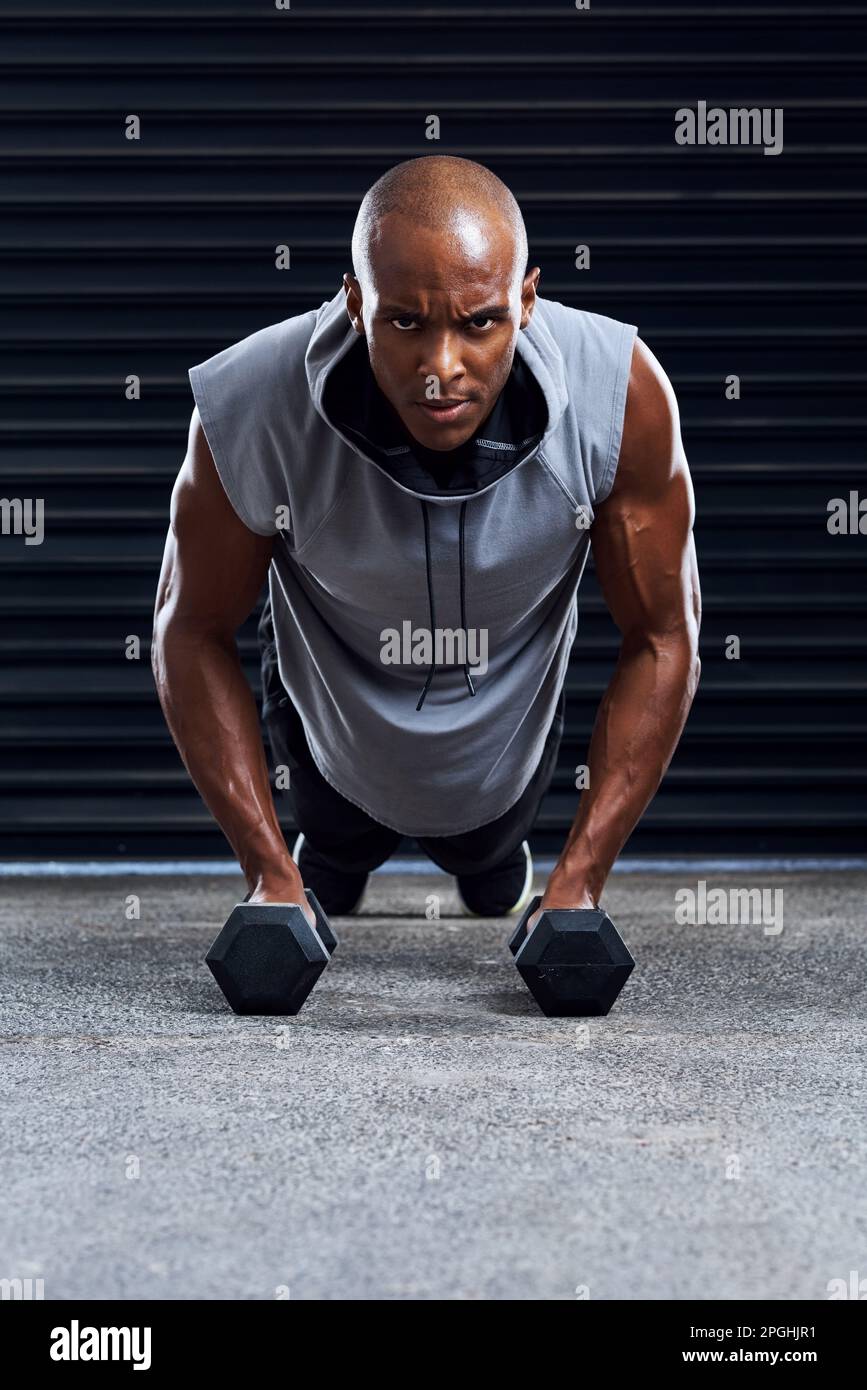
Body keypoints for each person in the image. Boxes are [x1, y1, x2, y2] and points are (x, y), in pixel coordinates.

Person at [152, 156, 701, 931]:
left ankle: (491, 861)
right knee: (327, 871)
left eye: (479, 322)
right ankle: (322, 861)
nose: (440, 370)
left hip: (499, 751)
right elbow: (190, 628)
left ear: (527, 301)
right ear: (353, 303)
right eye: (404, 322)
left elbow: (662, 636)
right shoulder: (250, 402)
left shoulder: (620, 394)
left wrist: (578, 886)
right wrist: (266, 876)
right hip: (329, 734)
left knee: (485, 864)